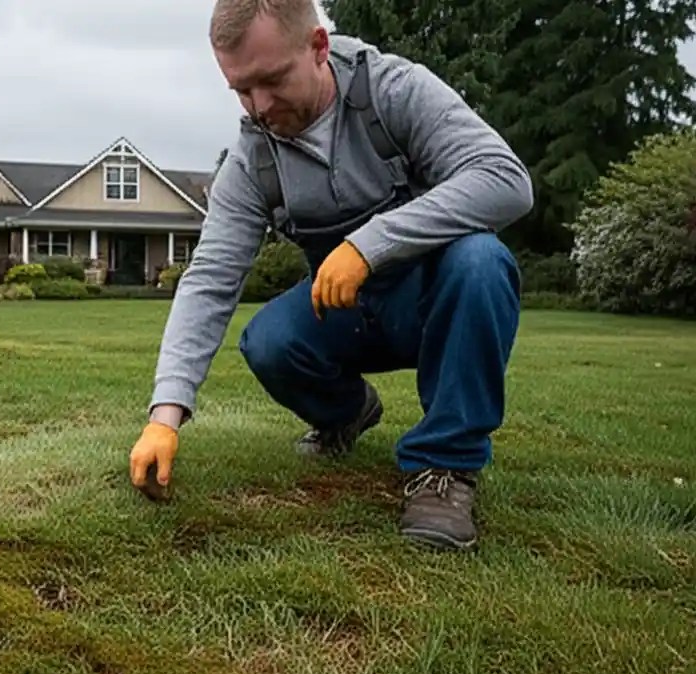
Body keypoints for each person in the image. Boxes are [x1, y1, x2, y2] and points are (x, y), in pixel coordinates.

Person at [129, 0, 532, 551]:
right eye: (241, 90)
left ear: (318, 47)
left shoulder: (394, 91)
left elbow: (506, 179)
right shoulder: (252, 161)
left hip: (433, 297)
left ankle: (443, 468)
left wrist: (369, 244)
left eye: (271, 81)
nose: (259, 107)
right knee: (268, 341)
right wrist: (165, 415)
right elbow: (209, 280)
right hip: (348, 313)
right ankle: (346, 413)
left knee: (482, 261)